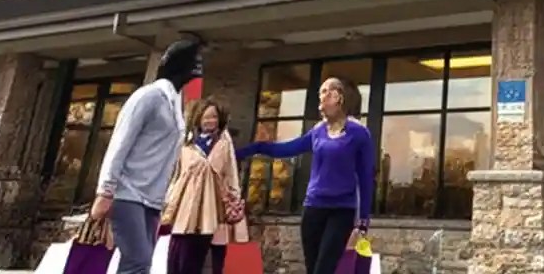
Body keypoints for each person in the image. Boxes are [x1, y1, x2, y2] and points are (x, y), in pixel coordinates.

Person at [236, 77, 375, 274]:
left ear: (339, 97)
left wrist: (363, 221)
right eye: (321, 91)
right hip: (313, 208)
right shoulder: (318, 131)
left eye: (327, 91)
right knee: (312, 268)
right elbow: (288, 148)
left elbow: (366, 178)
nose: (322, 95)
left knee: (323, 269)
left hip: (341, 210)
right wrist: (254, 148)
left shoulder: (359, 133)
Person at [89, 39, 203, 274]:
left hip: (153, 199)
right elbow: (120, 143)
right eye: (194, 61)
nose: (198, 66)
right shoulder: (148, 96)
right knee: (137, 262)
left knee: (140, 264)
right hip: (127, 193)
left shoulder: (175, 104)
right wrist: (106, 190)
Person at [162, 96, 248, 274]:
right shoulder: (186, 144)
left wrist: (234, 198)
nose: (210, 121)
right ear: (198, 119)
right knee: (180, 255)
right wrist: (167, 201)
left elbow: (231, 172)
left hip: (214, 206)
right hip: (186, 207)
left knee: (209, 257)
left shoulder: (224, 142)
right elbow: (175, 175)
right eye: (206, 117)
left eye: (214, 117)